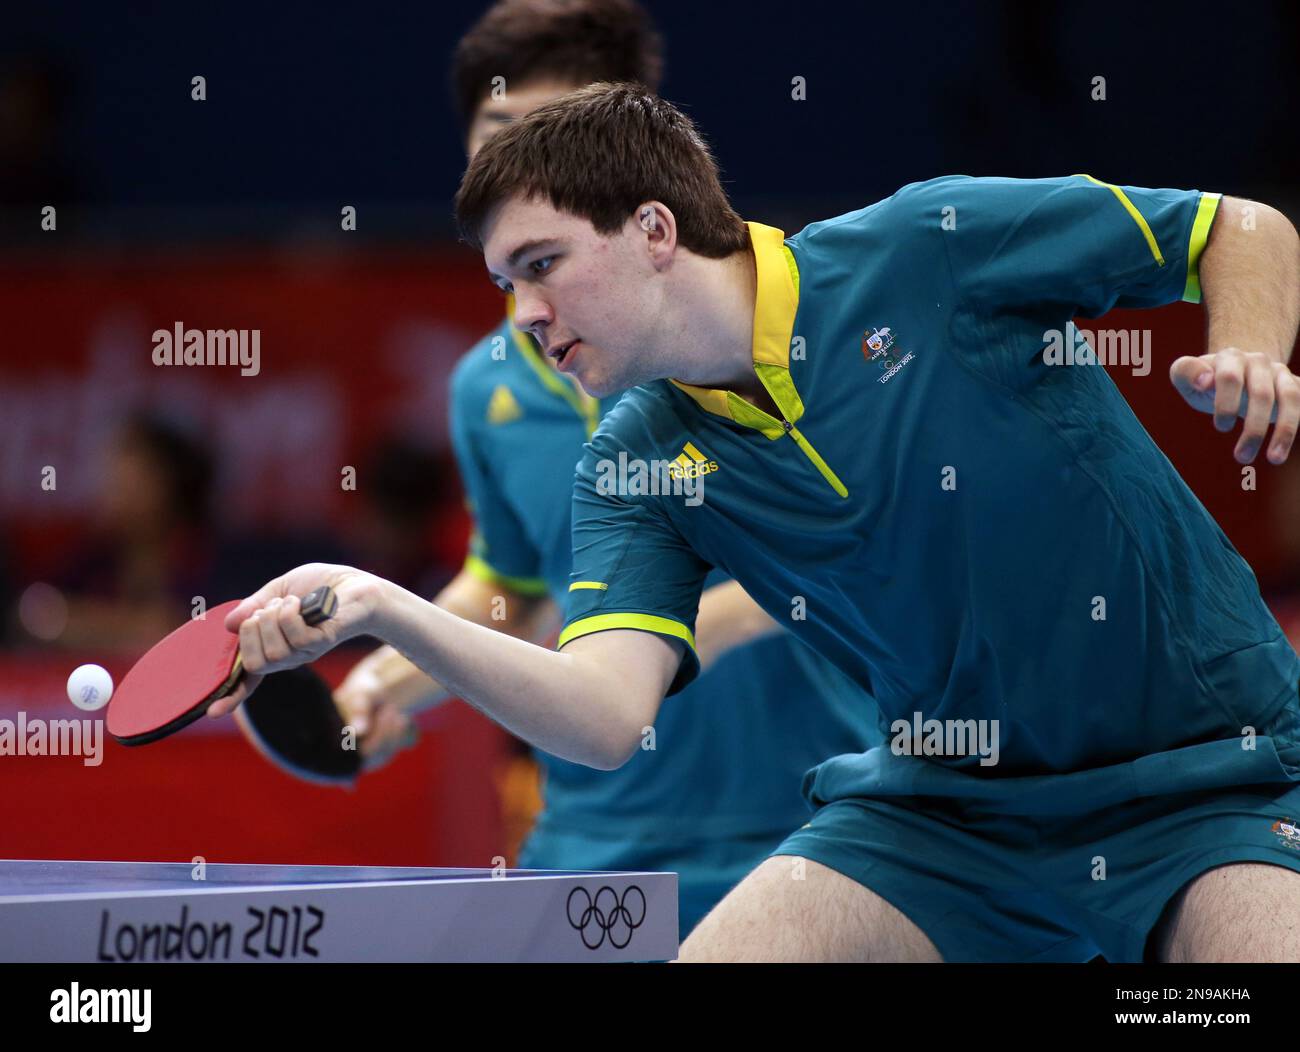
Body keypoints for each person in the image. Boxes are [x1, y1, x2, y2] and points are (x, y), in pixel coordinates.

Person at [216, 84, 1300, 962]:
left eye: (541, 266)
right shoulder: (637, 458)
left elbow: (1238, 227)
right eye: (506, 283)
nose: (525, 315)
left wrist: (1249, 345)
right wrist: (381, 608)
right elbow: (603, 714)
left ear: (651, 229)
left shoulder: (926, 248)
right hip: (949, 811)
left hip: (1213, 771)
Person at [242, 1, 880, 938]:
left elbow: (838, 557)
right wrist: (382, 679)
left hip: (805, 822)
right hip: (591, 844)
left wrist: (630, 648)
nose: (527, 156)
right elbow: (515, 587)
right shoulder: (485, 389)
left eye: (558, 127)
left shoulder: (766, 334)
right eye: (502, 132)